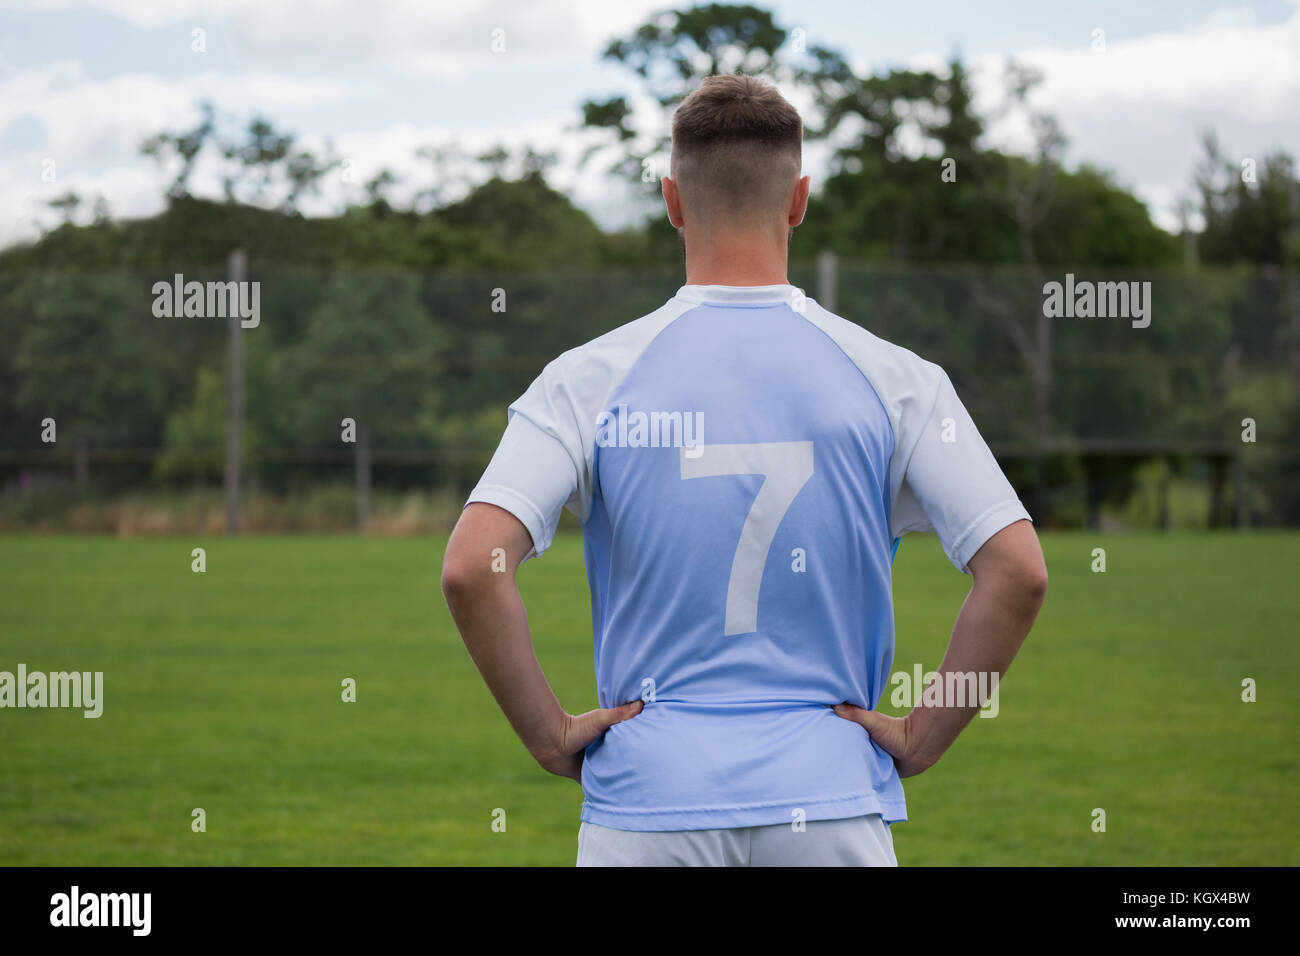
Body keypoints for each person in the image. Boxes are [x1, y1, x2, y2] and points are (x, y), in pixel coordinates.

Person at [441, 73, 1047, 866]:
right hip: (829, 801)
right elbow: (1017, 571)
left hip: (649, 807)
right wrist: (925, 733)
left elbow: (471, 569)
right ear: (799, 200)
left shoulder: (586, 379)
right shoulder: (899, 379)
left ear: (672, 200)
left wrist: (549, 734)